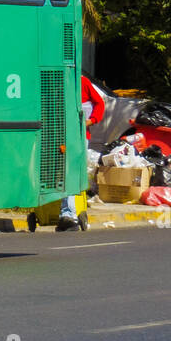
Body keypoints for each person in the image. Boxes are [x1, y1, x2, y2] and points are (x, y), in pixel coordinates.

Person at [59, 75, 105, 230]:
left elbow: (99, 104)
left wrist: (91, 120)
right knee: (67, 172)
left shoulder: (82, 81)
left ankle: (68, 213)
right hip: (59, 135)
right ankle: (69, 213)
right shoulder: (54, 79)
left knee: (70, 171)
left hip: (79, 136)